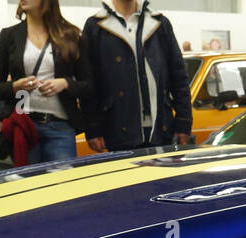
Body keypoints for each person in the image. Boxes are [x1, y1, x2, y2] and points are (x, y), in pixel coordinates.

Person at [81, 0, 190, 152]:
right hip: (117, 127)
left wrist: (184, 121)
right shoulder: (95, 26)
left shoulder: (160, 23)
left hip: (161, 128)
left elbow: (179, 77)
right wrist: (93, 128)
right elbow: (89, 83)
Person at [0, 0, 87, 163]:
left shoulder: (69, 34)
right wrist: (15, 86)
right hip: (23, 125)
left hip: (60, 127)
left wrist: (65, 83)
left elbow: (88, 84)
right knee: (29, 185)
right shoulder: (9, 35)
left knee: (63, 186)